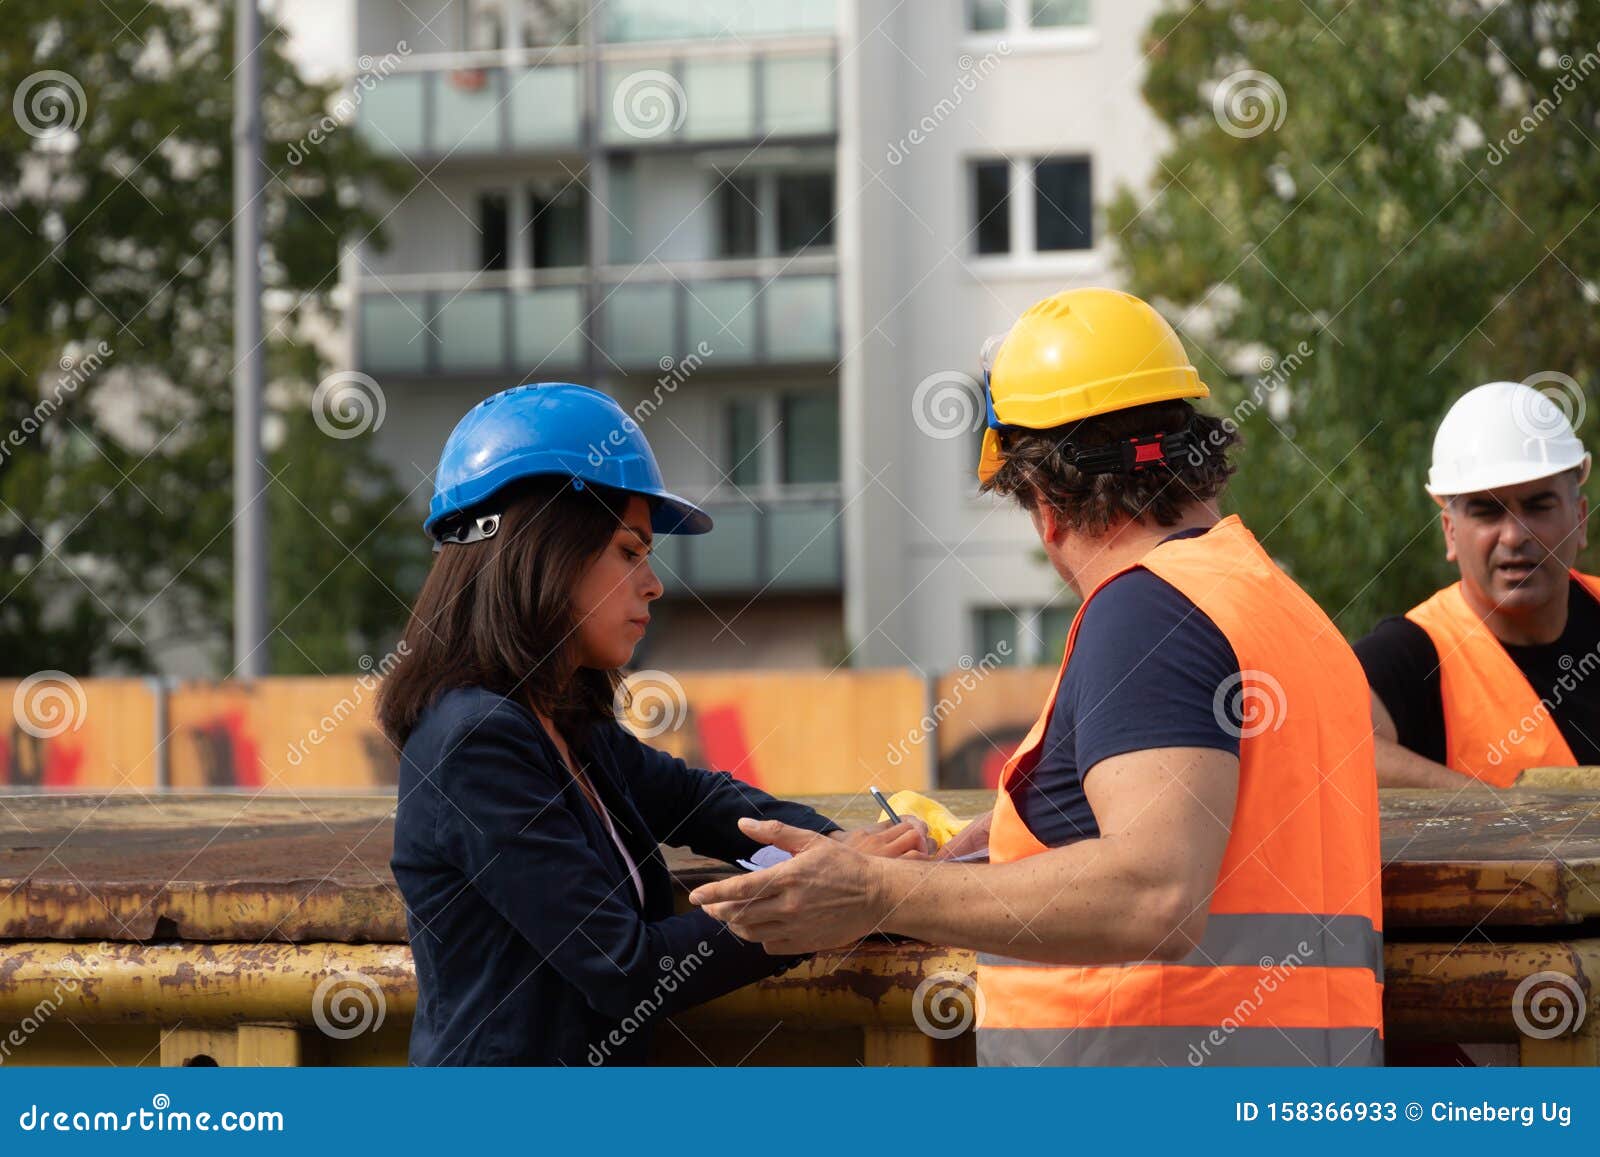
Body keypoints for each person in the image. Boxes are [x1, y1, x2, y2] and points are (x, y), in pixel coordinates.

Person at [689, 289, 1385, 1066]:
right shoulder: (1287, 611)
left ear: (1046, 499)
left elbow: (1156, 891)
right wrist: (1008, 845)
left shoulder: (1149, 612)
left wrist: (880, 893)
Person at [378, 382, 928, 1066]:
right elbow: (624, 966)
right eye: (629, 550)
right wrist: (813, 904)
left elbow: (705, 804)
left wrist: (846, 849)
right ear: (542, 549)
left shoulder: (566, 727)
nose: (653, 583)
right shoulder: (474, 740)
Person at [1355, 380, 1598, 787]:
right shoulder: (1413, 656)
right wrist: (1500, 814)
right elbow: (1332, 746)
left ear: (1580, 518)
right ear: (1450, 532)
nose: (1514, 535)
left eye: (1538, 506)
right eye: (1487, 512)